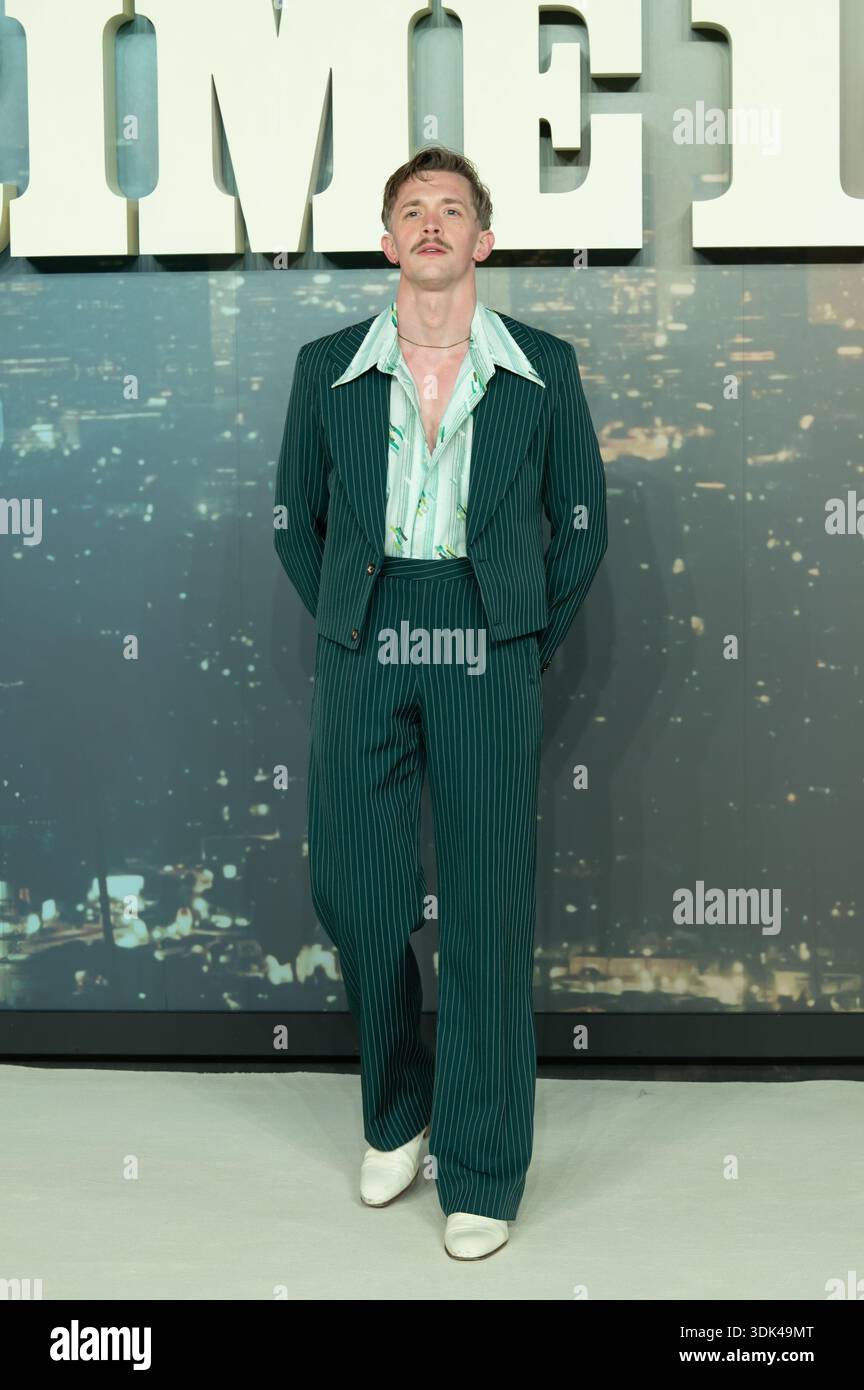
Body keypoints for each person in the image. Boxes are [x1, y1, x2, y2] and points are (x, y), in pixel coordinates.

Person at [273, 145, 608, 1260]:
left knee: (483, 912)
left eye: (450, 208)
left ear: (482, 239)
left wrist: (513, 642)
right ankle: (396, 1104)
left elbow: (583, 525)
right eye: (410, 209)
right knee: (358, 894)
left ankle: (483, 1165)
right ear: (385, 241)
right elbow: (296, 524)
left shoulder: (544, 368)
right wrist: (350, 626)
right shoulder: (326, 367)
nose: (430, 223)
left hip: (487, 636)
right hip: (367, 633)